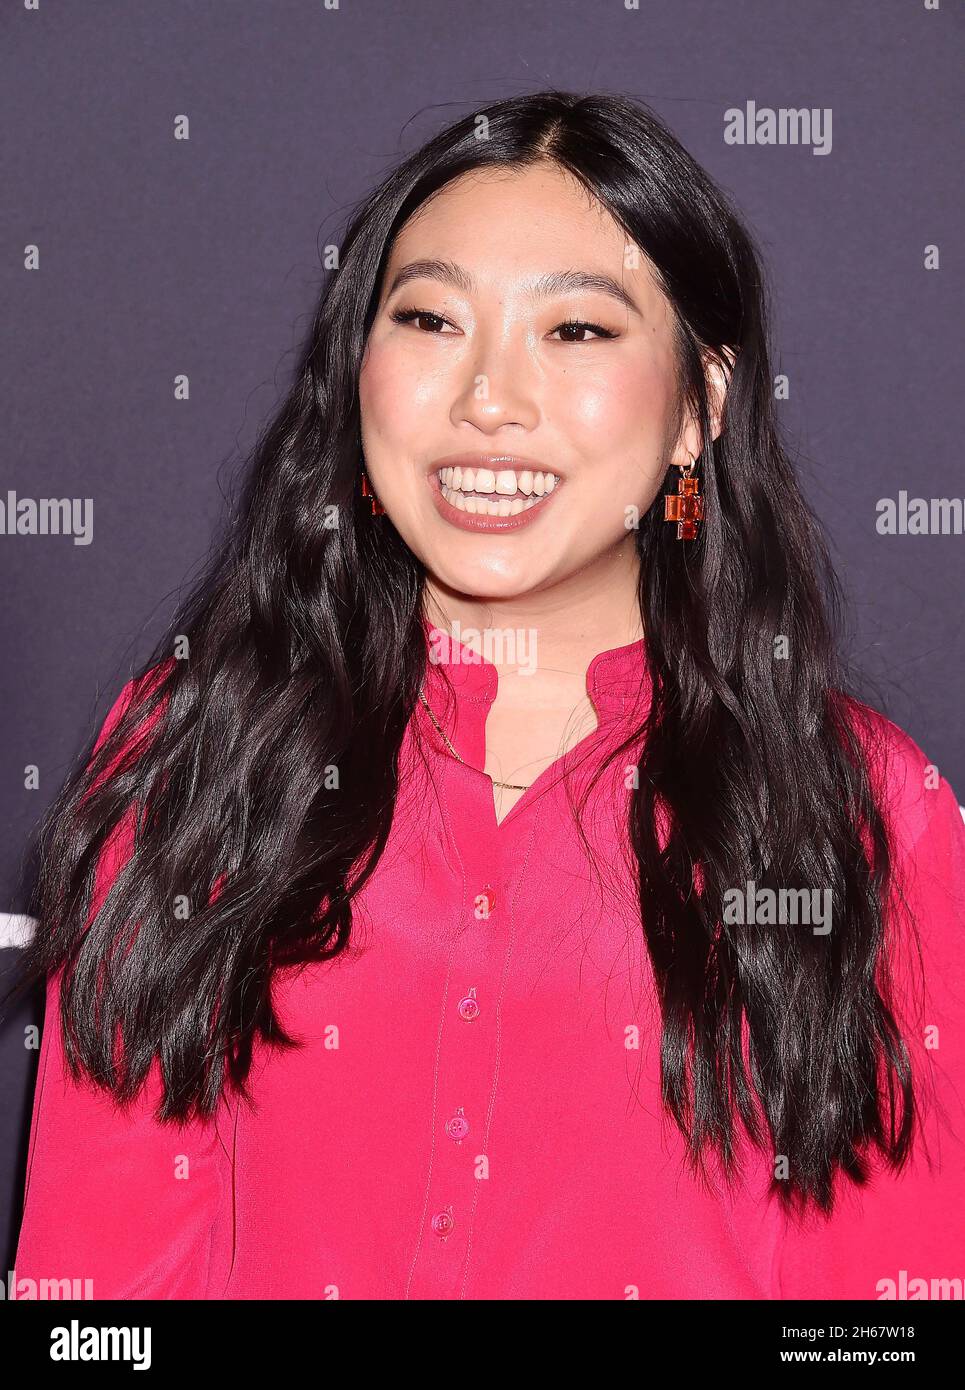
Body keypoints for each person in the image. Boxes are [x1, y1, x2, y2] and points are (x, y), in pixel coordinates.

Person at [10, 90, 965, 1301]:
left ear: (699, 406)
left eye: (574, 332)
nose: (486, 401)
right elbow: (93, 1303)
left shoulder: (867, 808)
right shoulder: (199, 746)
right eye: (428, 319)